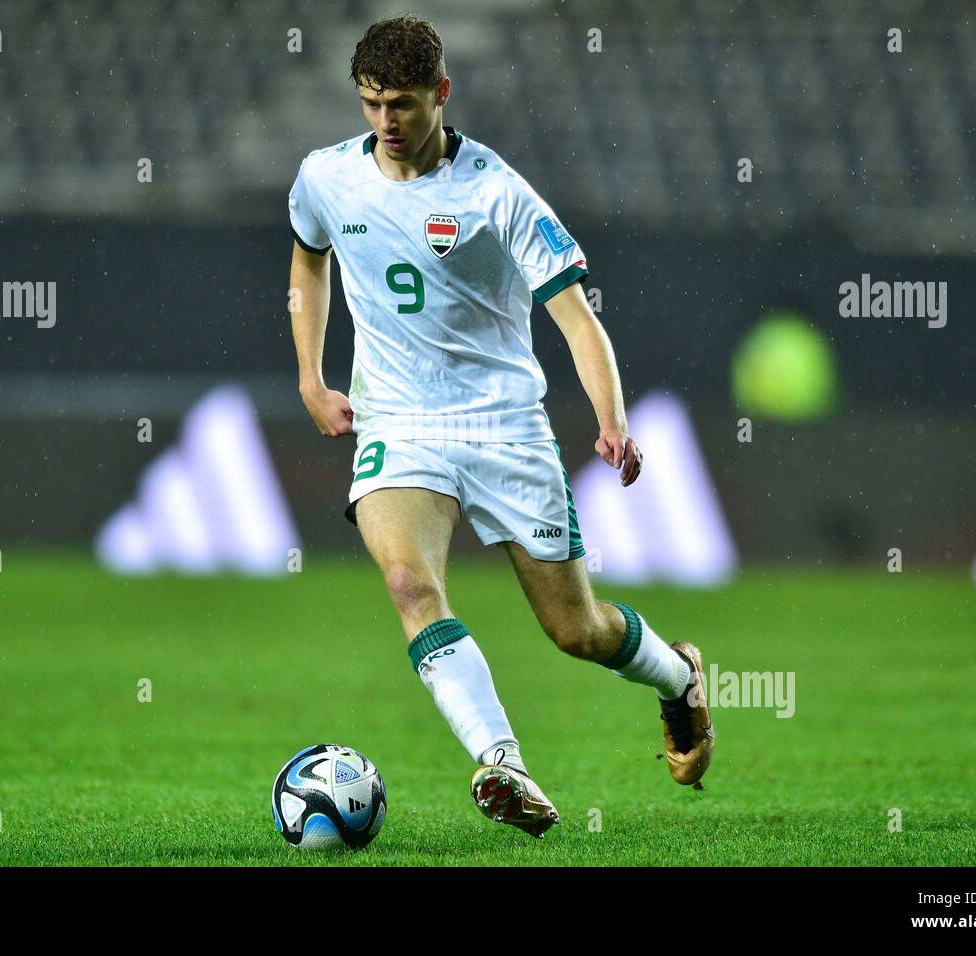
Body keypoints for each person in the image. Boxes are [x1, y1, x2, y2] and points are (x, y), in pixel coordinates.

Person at [287, 15, 712, 838]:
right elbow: (309, 255)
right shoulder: (325, 178)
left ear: (442, 94)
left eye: (404, 103)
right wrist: (311, 376)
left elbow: (577, 318)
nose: (387, 121)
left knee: (576, 631)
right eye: (372, 103)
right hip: (398, 420)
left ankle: (678, 676)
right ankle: (503, 763)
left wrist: (612, 420)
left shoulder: (497, 191)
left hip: (504, 427)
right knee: (410, 585)